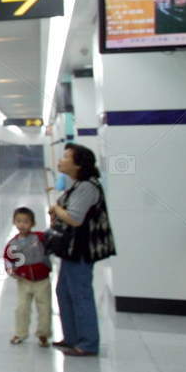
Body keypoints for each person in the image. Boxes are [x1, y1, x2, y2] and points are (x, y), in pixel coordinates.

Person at [48, 143, 115, 357]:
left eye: (66, 156)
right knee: (64, 291)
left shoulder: (87, 186)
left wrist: (57, 208)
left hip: (82, 249)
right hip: (72, 249)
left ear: (78, 164)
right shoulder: (78, 184)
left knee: (79, 294)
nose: (61, 159)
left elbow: (75, 219)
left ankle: (87, 343)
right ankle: (72, 338)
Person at [2, 206, 51, 347]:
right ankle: (20, 333)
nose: (22, 224)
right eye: (18, 221)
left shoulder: (40, 238)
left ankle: (43, 334)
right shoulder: (12, 244)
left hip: (42, 281)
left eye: (26, 221)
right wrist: (11, 271)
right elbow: (7, 259)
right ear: (14, 222)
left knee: (44, 308)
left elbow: (52, 240)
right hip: (23, 281)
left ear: (32, 224)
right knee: (22, 308)